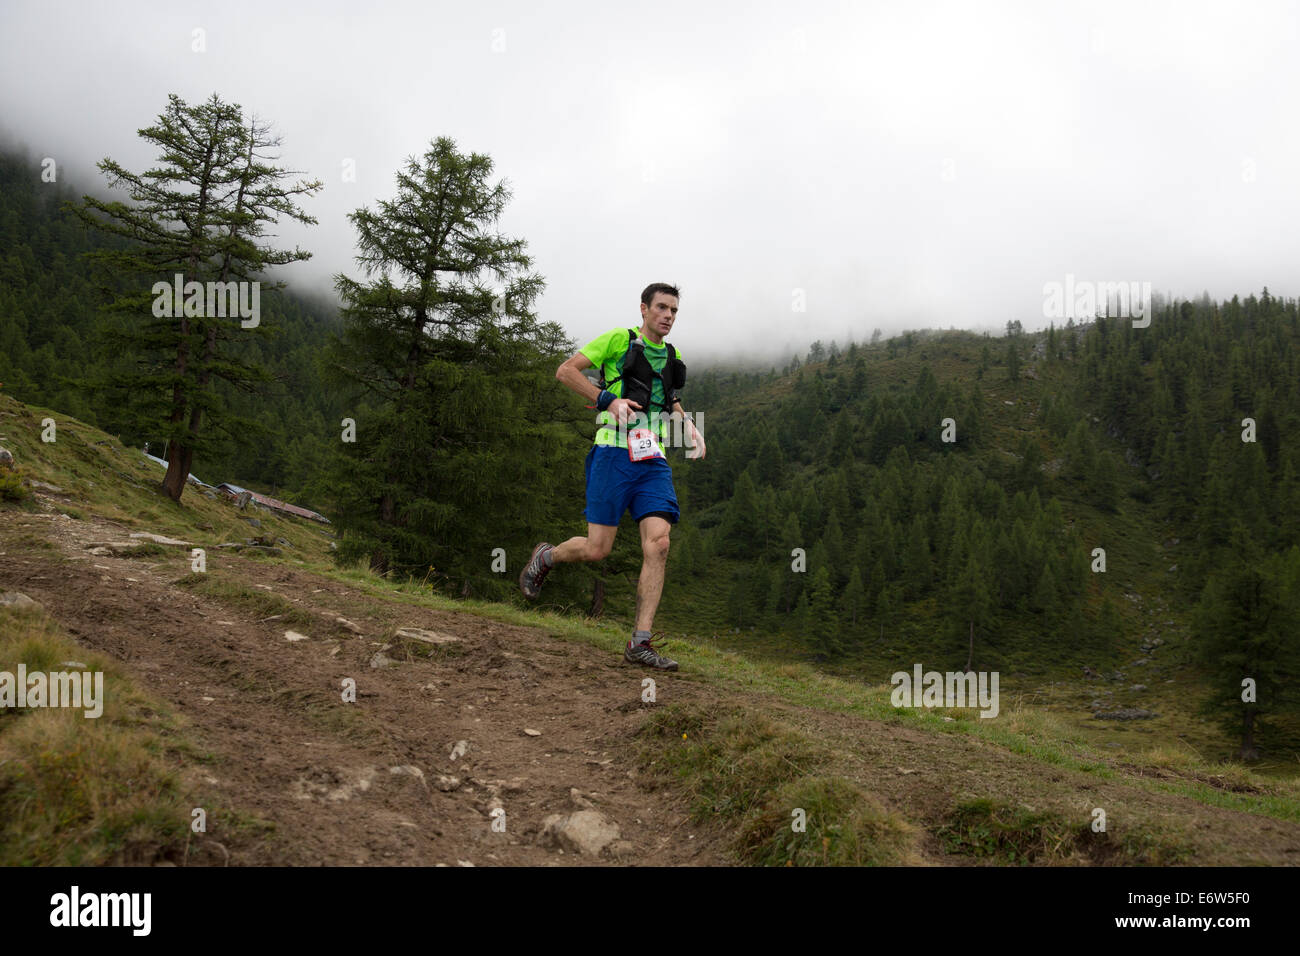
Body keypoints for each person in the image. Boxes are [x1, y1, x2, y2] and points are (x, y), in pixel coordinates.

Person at [519, 282, 706, 670]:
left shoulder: (672, 355)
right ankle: (547, 556)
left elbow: (669, 398)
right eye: (661, 308)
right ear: (644, 309)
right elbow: (565, 372)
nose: (668, 316)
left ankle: (640, 641)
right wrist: (608, 399)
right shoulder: (617, 341)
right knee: (597, 548)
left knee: (659, 544)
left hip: (651, 457)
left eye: (674, 310)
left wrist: (688, 426)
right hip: (612, 452)